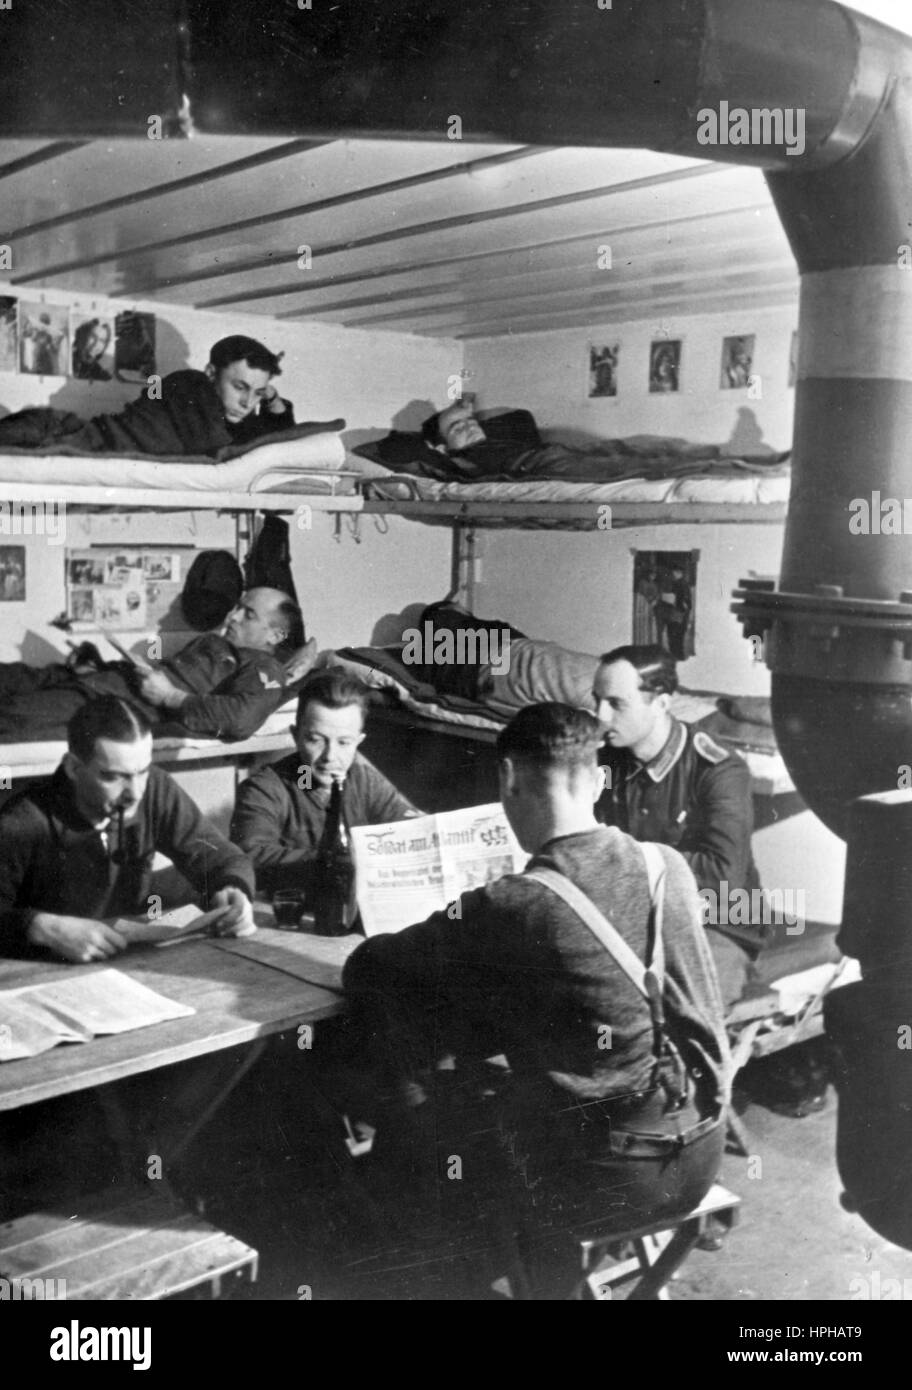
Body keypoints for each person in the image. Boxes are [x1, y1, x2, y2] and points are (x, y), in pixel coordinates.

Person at [342, 703, 730, 1298]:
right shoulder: (665, 866)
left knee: (424, 1124)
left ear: (508, 779)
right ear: (595, 779)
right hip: (700, 1149)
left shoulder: (517, 902)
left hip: (611, 1177)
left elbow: (368, 967)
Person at [0, 696, 256, 962]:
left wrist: (233, 887)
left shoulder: (154, 788)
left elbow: (219, 855)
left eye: (142, 771)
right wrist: (42, 927)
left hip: (129, 959)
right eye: (113, 777)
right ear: (74, 768)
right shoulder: (23, 821)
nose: (134, 792)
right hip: (40, 970)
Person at [592, 644, 762, 1008]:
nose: (600, 715)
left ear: (662, 703)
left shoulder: (717, 770)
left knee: (683, 1007)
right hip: (637, 915)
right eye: (597, 701)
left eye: (616, 704)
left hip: (716, 922)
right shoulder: (606, 760)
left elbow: (722, 876)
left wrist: (623, 859)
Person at [0, 586, 306, 743]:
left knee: (13, 714)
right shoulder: (214, 643)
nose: (233, 616)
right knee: (11, 676)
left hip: (114, 702)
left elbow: (242, 717)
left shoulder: (265, 668)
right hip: (106, 679)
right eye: (237, 607)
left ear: (276, 634)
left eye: (248, 614)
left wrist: (169, 696)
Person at [231, 666, 419, 900]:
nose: (330, 756)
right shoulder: (265, 789)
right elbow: (251, 857)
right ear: (296, 736)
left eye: (343, 742)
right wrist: (338, 860)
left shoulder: (364, 781)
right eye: (316, 740)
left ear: (358, 742)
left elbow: (410, 829)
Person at [0, 334, 295, 457]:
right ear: (209, 373)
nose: (247, 403)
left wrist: (274, 403)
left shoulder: (220, 415)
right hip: (61, 432)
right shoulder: (189, 385)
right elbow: (222, 446)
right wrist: (269, 413)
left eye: (257, 394)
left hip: (71, 436)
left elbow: (271, 443)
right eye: (240, 387)